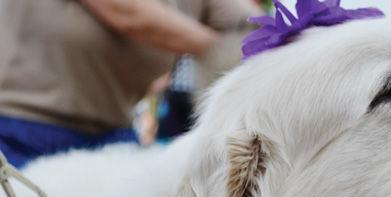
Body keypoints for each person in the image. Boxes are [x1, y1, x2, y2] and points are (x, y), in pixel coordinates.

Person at [0, 0, 260, 167]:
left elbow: (260, 30)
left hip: (111, 139)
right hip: (19, 134)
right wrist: (217, 47)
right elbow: (128, 14)